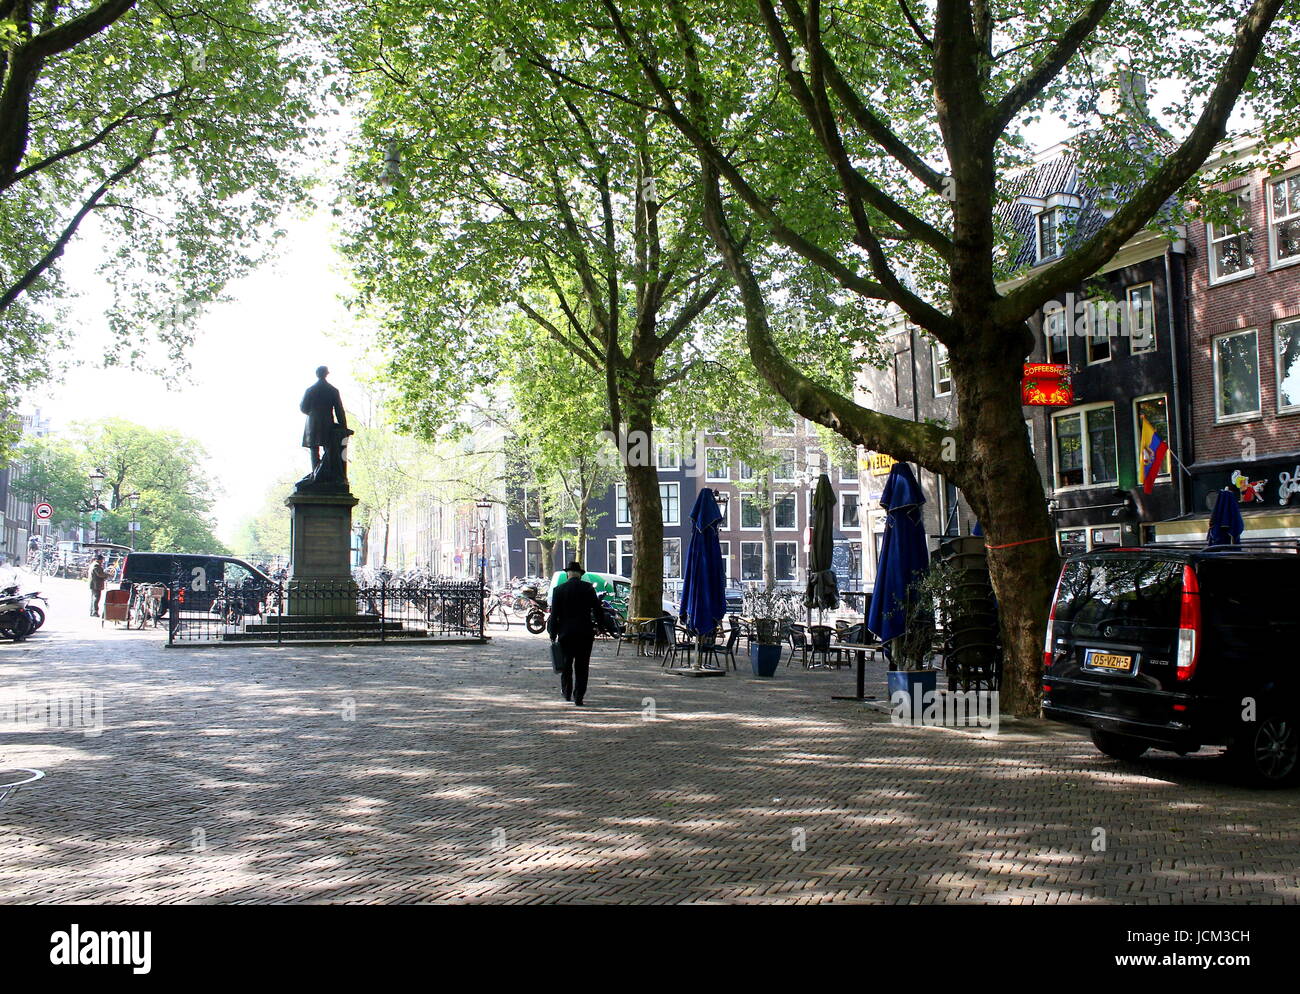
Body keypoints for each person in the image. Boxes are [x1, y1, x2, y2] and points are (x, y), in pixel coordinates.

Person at [546, 561, 606, 707]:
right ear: (580, 574)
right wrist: (601, 626)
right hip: (585, 633)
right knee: (582, 665)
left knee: (566, 664)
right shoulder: (588, 588)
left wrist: (552, 632)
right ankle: (579, 696)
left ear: (568, 574)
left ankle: (567, 692)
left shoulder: (559, 590)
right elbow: (598, 610)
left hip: (566, 633)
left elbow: (554, 615)